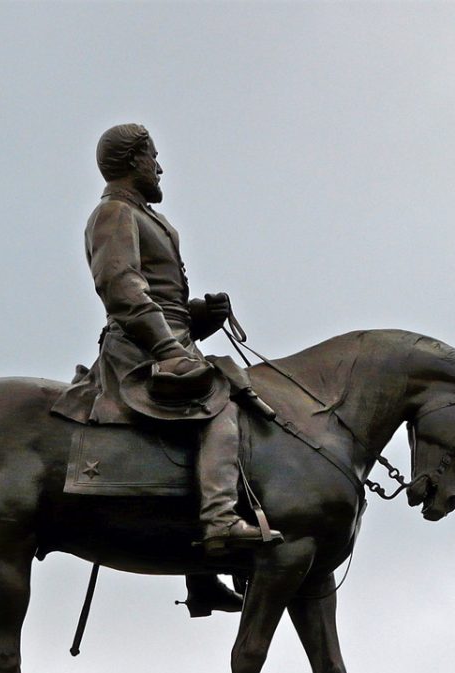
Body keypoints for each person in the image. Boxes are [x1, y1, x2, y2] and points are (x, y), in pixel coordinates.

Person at [53, 124, 279, 613]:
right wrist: (168, 349)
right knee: (221, 405)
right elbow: (121, 287)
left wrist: (199, 318)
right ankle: (219, 521)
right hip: (137, 352)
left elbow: (160, 301)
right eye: (153, 156)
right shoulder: (113, 213)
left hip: (165, 341)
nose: (160, 166)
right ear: (133, 161)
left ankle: (200, 574)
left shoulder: (147, 218)